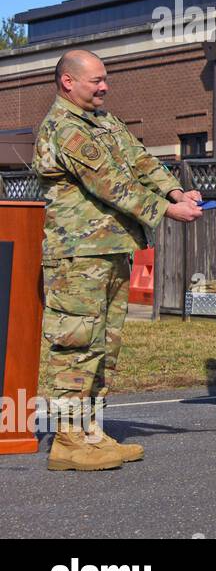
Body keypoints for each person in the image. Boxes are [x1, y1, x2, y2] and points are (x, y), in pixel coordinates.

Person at [35, 49, 203, 471]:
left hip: (111, 250)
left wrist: (174, 191)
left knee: (105, 345)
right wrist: (167, 211)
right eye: (96, 81)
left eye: (106, 78)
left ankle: (92, 431)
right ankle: (67, 440)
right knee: (75, 344)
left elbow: (140, 160)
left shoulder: (104, 122)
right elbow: (108, 183)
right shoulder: (64, 128)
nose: (105, 86)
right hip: (78, 256)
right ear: (68, 82)